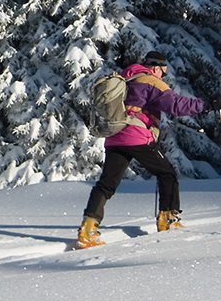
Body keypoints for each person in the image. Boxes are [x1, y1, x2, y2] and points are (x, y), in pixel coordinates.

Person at [77, 51, 212, 249]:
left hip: (114, 137)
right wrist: (207, 105)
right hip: (136, 137)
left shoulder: (125, 78)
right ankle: (167, 219)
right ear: (156, 68)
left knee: (106, 184)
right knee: (167, 173)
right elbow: (176, 106)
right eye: (163, 71)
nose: (162, 75)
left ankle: (88, 228)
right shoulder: (151, 81)